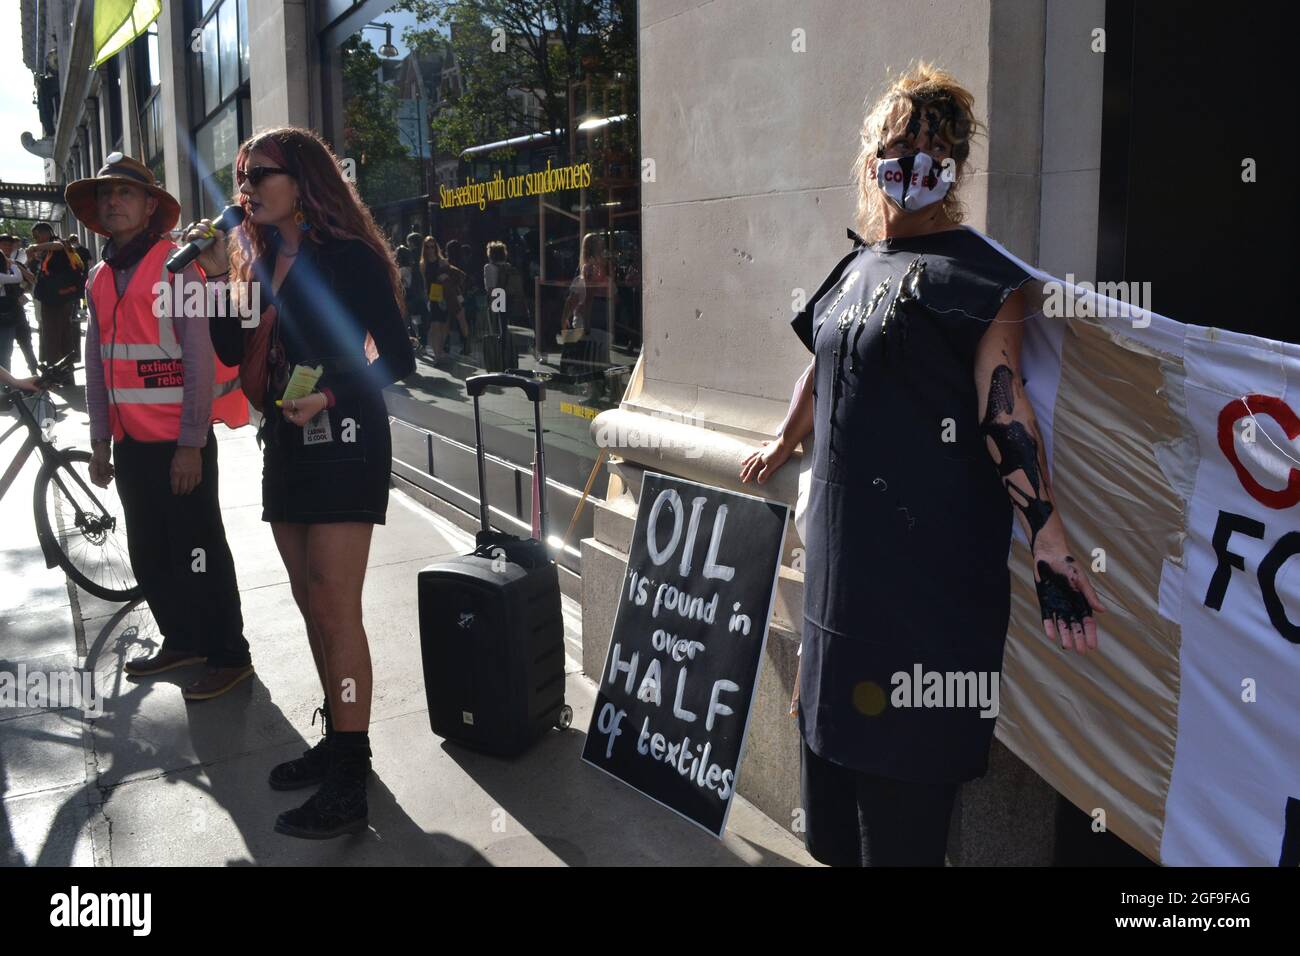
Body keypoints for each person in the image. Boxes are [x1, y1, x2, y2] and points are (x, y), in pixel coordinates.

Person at [739, 64, 1106, 867]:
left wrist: (1048, 536)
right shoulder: (849, 271)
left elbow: (1004, 408)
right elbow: (823, 362)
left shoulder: (981, 279)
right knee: (833, 843)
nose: (914, 162)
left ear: (958, 166)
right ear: (871, 159)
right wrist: (783, 436)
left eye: (934, 148)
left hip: (921, 627)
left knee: (898, 848)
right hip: (837, 623)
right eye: (900, 146)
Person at [193, 126, 414, 839]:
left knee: (332, 599)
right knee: (309, 603)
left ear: (305, 180)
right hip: (285, 439)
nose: (248, 188)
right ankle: (338, 738)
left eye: (262, 174)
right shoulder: (252, 261)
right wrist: (209, 274)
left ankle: (352, 775)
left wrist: (329, 396)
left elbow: (400, 360)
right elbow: (231, 351)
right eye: (242, 177)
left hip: (345, 433)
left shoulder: (346, 258)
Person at [66, 151, 254, 700]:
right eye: (106, 195)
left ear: (151, 207)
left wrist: (191, 446)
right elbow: (97, 366)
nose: (113, 202)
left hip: (181, 443)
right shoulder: (99, 277)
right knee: (150, 552)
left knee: (199, 551)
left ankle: (228, 653)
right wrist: (99, 442)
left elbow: (198, 363)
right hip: (132, 448)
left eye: (125, 193)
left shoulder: (179, 266)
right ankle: (182, 638)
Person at [26, 222, 85, 363]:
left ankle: (55, 370)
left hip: (57, 298)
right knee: (61, 334)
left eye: (37, 236)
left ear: (45, 233)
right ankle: (64, 371)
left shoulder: (58, 245)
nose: (36, 240)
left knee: (53, 335)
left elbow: (59, 246)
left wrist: (35, 248)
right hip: (54, 297)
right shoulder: (47, 252)